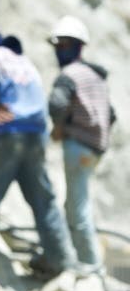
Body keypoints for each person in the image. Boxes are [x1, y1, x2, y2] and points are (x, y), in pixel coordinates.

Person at [0, 8, 76, 275]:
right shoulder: (20, 59)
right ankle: (60, 261)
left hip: (8, 135)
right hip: (35, 134)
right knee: (43, 199)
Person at [47, 15, 115, 272]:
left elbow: (56, 104)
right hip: (96, 147)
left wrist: (59, 128)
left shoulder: (69, 74)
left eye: (63, 45)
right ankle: (75, 254)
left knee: (77, 208)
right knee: (76, 203)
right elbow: (112, 115)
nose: (60, 51)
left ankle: (89, 264)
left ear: (76, 47)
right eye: (58, 45)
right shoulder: (94, 76)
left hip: (79, 146)